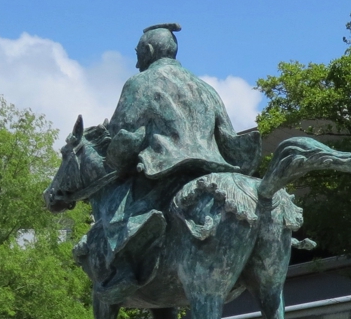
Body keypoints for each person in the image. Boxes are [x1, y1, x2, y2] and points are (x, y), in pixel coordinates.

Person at [76, 23, 261, 296]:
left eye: (138, 52)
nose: (137, 60)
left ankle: (124, 270)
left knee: (118, 212)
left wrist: (113, 163)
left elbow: (125, 136)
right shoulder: (205, 87)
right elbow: (228, 136)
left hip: (167, 170)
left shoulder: (139, 83)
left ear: (148, 51)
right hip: (213, 169)